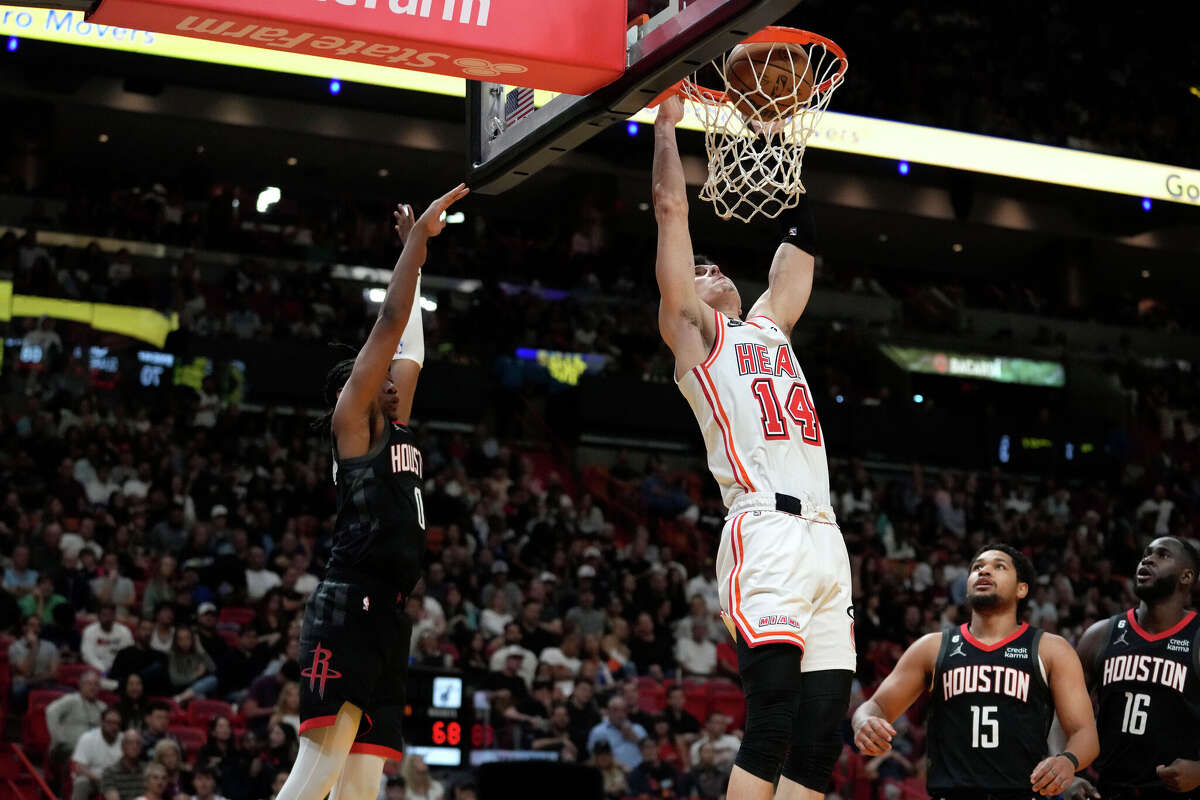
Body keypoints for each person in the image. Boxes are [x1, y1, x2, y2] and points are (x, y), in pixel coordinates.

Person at [652, 94, 855, 799]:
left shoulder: (770, 325)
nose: (709, 269)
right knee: (772, 716)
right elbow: (671, 213)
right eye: (699, 269)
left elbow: (803, 240)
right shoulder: (698, 339)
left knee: (824, 731)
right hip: (763, 526)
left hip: (826, 536)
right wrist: (667, 128)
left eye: (713, 265)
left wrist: (786, 134)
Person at [277, 184, 467, 800]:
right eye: (383, 374)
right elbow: (389, 324)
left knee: (362, 786)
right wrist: (414, 244)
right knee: (319, 771)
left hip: (389, 612)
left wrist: (416, 256)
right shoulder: (353, 422)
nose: (396, 378)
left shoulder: (398, 420)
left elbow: (409, 342)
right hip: (347, 605)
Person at [852, 544, 1099, 799]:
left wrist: (1068, 760)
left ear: (1021, 589)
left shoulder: (1051, 649)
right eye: (977, 568)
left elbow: (1085, 734)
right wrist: (864, 721)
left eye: (998, 566)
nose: (984, 572)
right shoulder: (932, 647)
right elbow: (876, 706)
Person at [1066, 536, 1200, 800]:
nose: (1148, 559)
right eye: (1146, 553)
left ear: (1186, 577)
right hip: (1105, 789)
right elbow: (1061, 715)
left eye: (1162, 555)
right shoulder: (1100, 634)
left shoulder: (1196, 638)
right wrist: (1066, 769)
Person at [46, 669, 106, 766]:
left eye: (96, 685)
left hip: (93, 750)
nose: (93, 687)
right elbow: (50, 712)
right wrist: (59, 739)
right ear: (81, 685)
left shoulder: (103, 707)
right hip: (66, 748)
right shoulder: (71, 700)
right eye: (89, 684)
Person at [71, 708, 124, 800]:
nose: (114, 726)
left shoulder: (124, 740)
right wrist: (99, 778)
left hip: (117, 780)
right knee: (81, 782)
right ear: (102, 723)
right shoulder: (88, 738)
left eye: (117, 723)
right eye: (110, 722)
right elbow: (79, 767)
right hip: (94, 779)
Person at [8, 614, 60, 709]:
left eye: (38, 625)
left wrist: (29, 680)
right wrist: (34, 647)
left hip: (45, 684)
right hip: (24, 688)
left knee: (72, 693)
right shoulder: (15, 647)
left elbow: (54, 674)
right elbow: (26, 670)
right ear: (24, 627)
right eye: (32, 625)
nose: (36, 628)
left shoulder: (50, 646)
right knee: (18, 689)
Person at [587, 695, 647, 770]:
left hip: (641, 774)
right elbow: (594, 758)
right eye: (615, 710)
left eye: (624, 710)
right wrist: (620, 767)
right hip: (613, 775)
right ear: (608, 711)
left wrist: (635, 739)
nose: (620, 714)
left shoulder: (638, 729)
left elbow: (650, 753)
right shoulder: (598, 732)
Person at [167, 626, 218, 704]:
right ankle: (181, 698)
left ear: (192, 639)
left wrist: (200, 648)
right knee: (199, 696)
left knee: (213, 680)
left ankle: (179, 699)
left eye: (188, 638)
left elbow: (213, 669)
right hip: (180, 688)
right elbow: (175, 680)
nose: (185, 642)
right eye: (181, 639)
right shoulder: (172, 655)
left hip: (196, 689)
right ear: (176, 641)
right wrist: (195, 675)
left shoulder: (197, 654)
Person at [82, 603, 134, 676]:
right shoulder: (89, 631)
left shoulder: (124, 631)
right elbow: (88, 656)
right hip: (97, 671)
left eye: (110, 615)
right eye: (104, 615)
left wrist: (116, 670)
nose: (107, 618)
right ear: (98, 616)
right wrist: (102, 669)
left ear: (114, 616)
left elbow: (129, 654)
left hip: (120, 671)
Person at [101, 729, 148, 800]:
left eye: (138, 743)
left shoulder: (147, 770)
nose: (134, 746)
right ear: (122, 746)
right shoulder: (109, 772)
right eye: (130, 743)